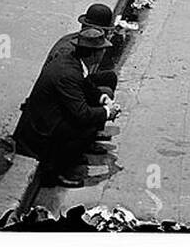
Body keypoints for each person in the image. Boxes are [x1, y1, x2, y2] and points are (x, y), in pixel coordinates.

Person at [13, 24, 120, 188]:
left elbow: (85, 85)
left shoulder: (72, 61)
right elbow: (82, 114)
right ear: (94, 54)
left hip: (48, 118)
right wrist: (107, 112)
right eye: (101, 50)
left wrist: (102, 98)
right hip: (42, 130)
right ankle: (54, 172)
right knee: (86, 128)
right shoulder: (68, 73)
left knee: (87, 122)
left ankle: (67, 159)